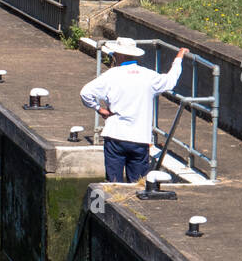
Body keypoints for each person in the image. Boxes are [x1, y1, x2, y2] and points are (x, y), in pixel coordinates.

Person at [79, 37, 188, 183]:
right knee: (138, 183)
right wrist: (179, 58)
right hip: (139, 137)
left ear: (119, 55)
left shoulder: (111, 75)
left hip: (115, 135)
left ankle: (112, 202)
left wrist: (99, 109)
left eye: (114, 54)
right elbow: (171, 80)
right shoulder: (149, 76)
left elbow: (85, 93)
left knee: (113, 182)